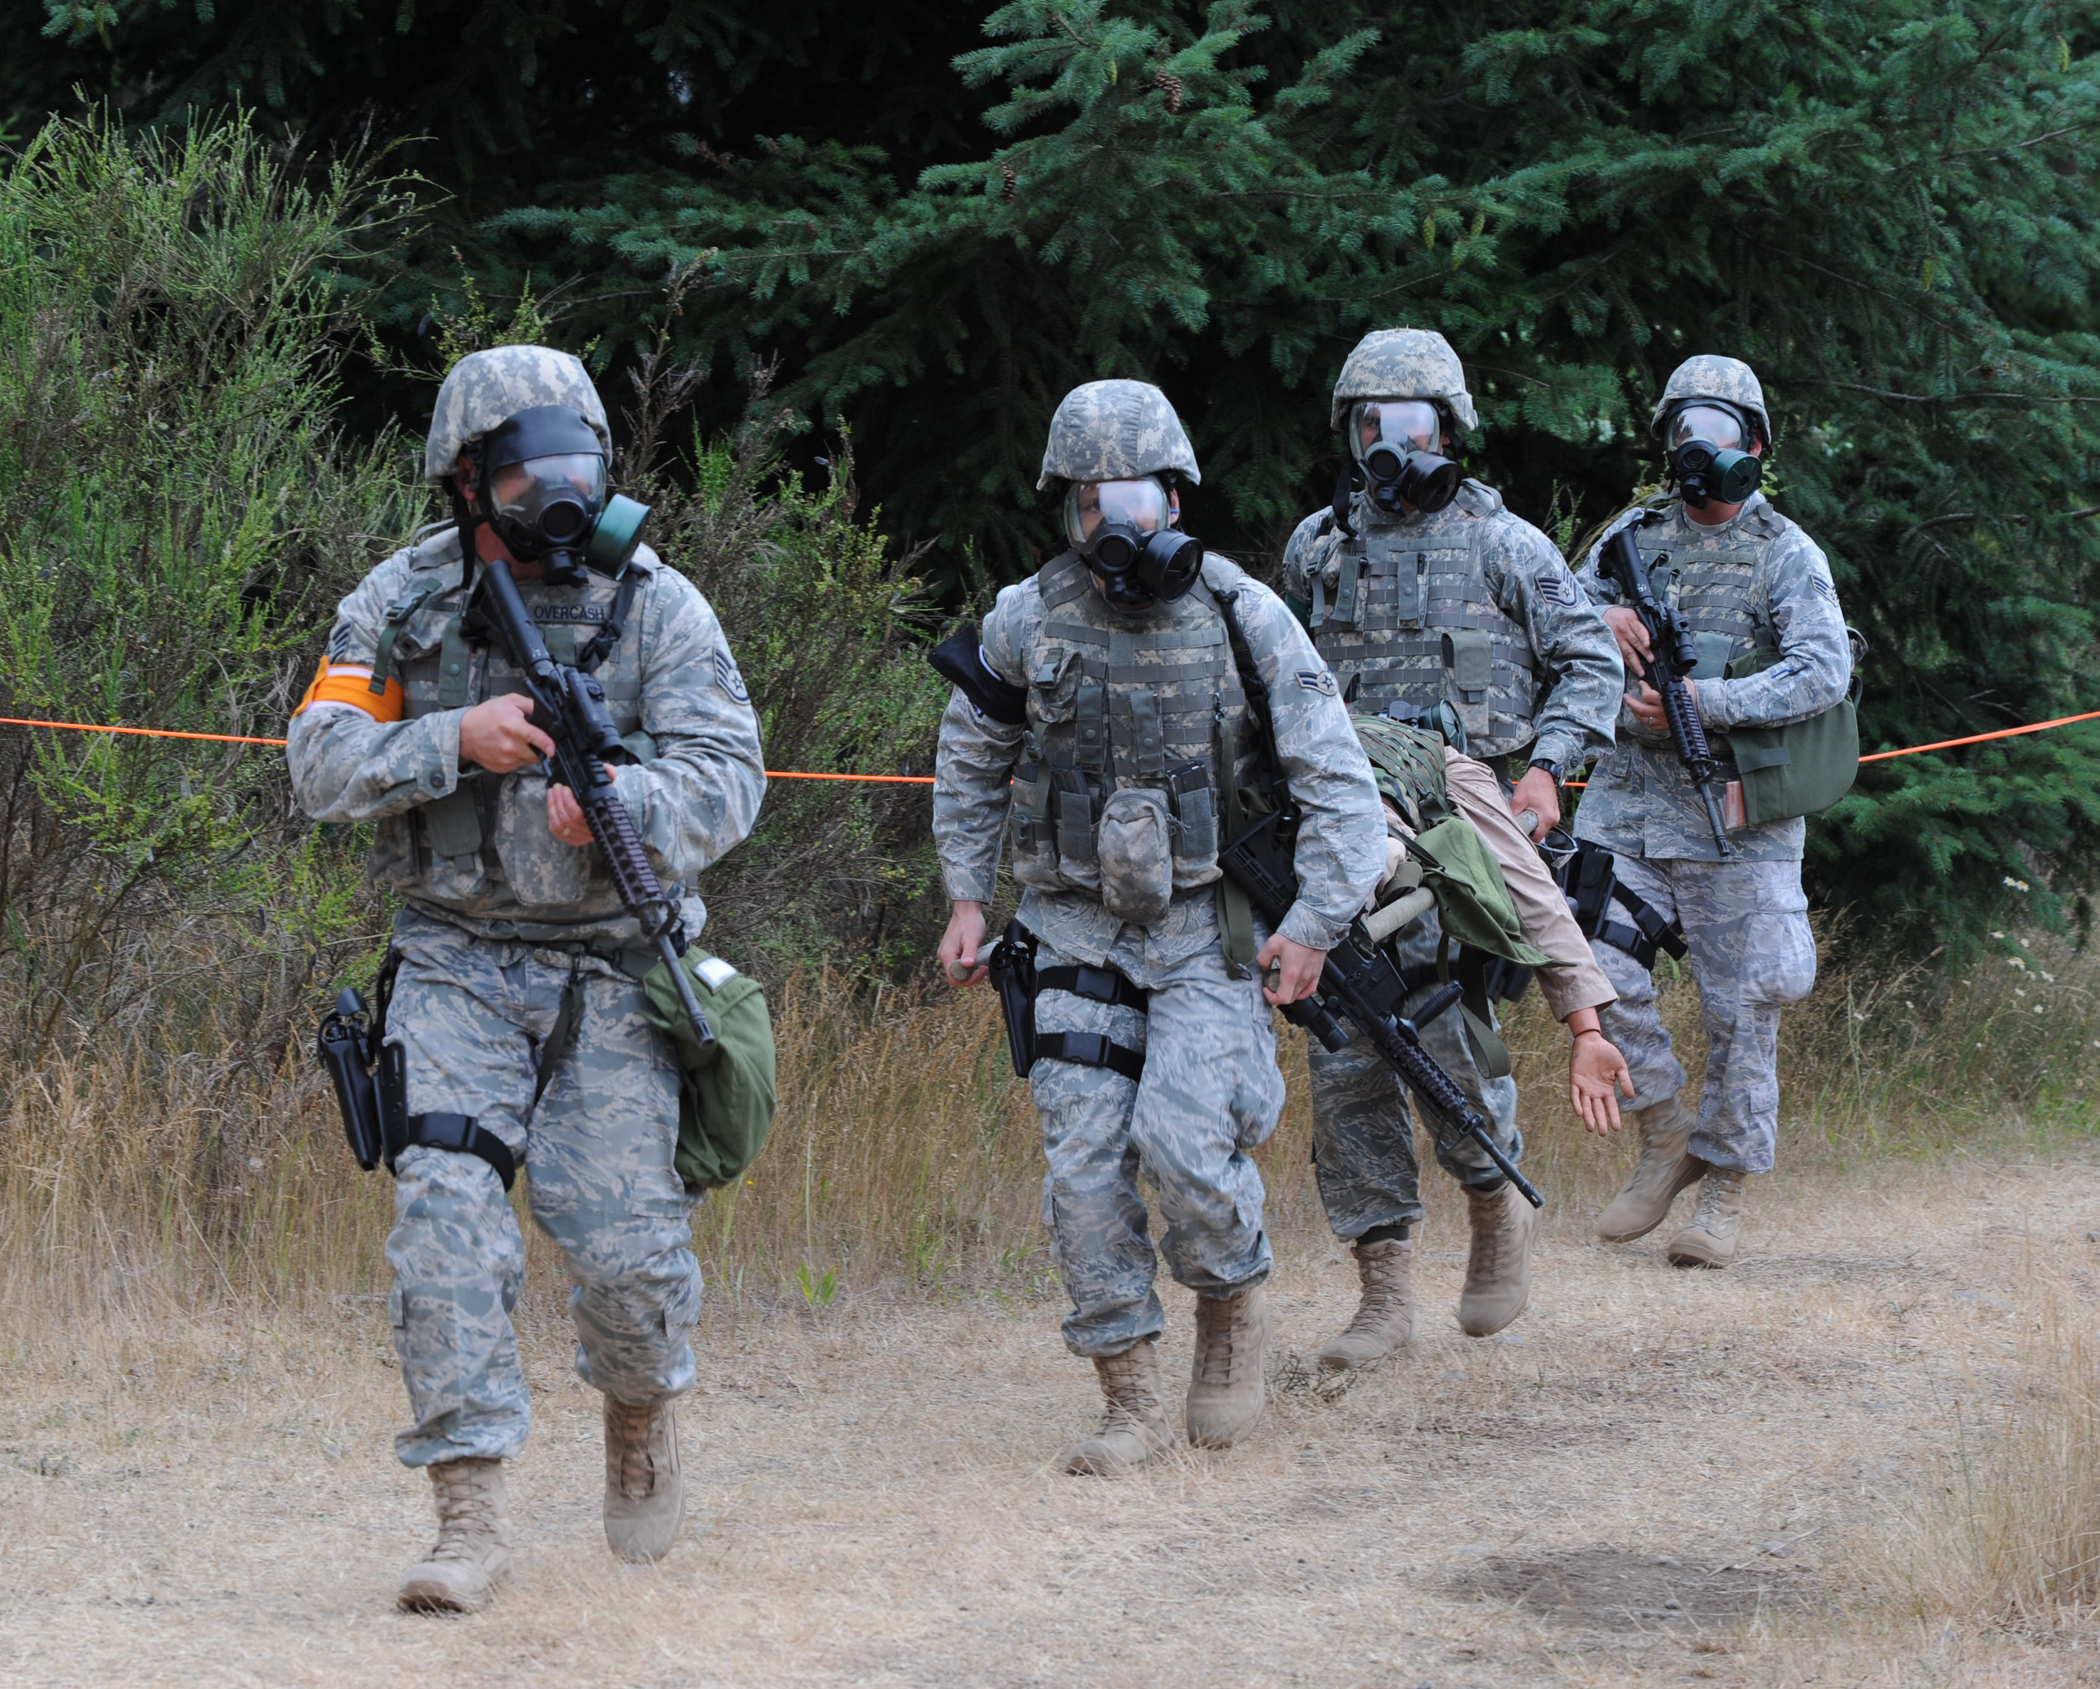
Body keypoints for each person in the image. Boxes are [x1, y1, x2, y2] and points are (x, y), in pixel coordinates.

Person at [286, 345, 766, 1610]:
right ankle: (469, 1520)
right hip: (455, 962)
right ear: (466, 479)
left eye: (575, 465)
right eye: (524, 472)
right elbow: (319, 759)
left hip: (616, 967)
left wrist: (627, 800)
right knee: (443, 1222)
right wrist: (454, 740)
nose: (555, 492)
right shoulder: (401, 601)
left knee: (628, 1261)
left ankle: (639, 1410)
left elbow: (734, 774)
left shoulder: (656, 600)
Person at [932, 379, 1385, 1474]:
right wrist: (965, 895)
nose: (1116, 523)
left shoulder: (1242, 613)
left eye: (1136, 496)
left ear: (1177, 497)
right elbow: (971, 754)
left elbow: (1338, 781)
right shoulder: (1026, 617)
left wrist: (1318, 922)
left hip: (1203, 929)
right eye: (1093, 502)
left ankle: (1229, 1308)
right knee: (1082, 1176)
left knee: (1184, 1146)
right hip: (1073, 928)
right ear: (1067, 509)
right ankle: (1127, 1397)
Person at [1279, 329, 1623, 1360]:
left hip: (1474, 837)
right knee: (1347, 1058)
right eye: (1372, 425)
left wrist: (1547, 769)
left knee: (1446, 1043)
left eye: (1415, 424)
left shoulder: (1507, 546)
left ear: (1452, 431)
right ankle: (1382, 1293)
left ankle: (1492, 1205)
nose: (1394, 445)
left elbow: (1591, 664)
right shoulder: (1316, 551)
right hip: (1346, 838)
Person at [1572, 354, 1853, 1268]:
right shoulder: (1630, 536)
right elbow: (1538, 604)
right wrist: (1590, 616)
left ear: (1756, 446)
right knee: (1588, 953)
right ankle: (1662, 1132)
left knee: (1747, 1004)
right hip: (1627, 802)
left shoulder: (1785, 551)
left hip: (1739, 812)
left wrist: (1702, 702)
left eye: (1722, 430)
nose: (1701, 448)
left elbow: (1821, 671)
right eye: (1686, 428)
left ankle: (1723, 1186)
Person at [1317, 714, 1635, 1367]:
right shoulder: (1276, 758)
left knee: (1454, 1072)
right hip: (1326, 947)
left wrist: (1587, 1028)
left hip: (1432, 946)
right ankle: (1385, 1299)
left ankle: (1497, 1202)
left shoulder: (1433, 768)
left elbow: (1531, 889)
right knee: (1344, 1092)